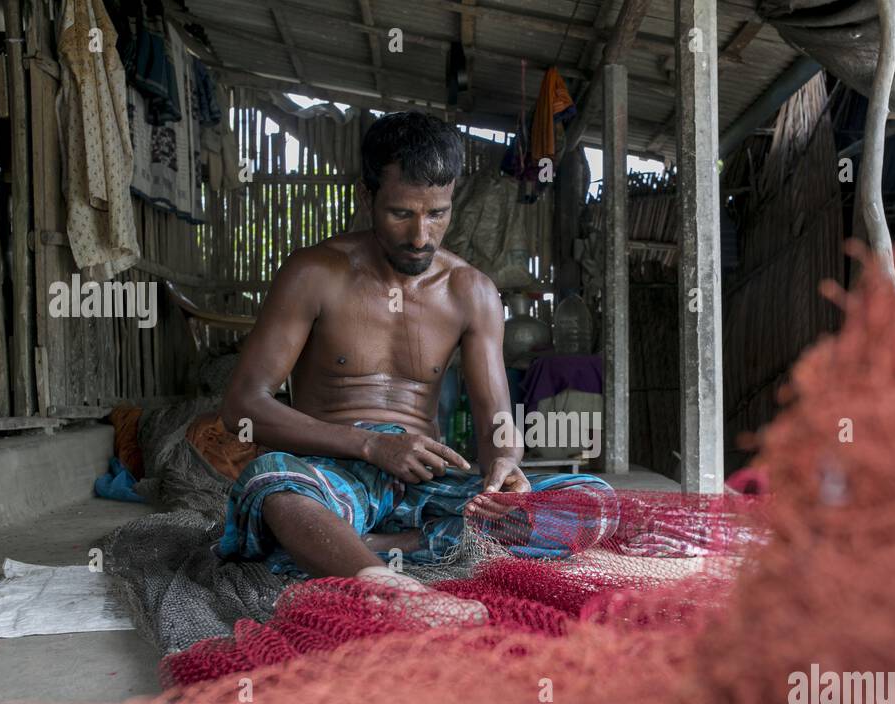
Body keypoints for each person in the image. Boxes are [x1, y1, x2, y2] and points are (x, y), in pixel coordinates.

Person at [219, 111, 615, 618]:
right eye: (401, 213)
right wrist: (371, 444)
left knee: (591, 499)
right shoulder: (315, 273)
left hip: (426, 481)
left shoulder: (470, 291)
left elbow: (497, 416)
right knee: (271, 483)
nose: (421, 236)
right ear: (367, 197)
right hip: (334, 473)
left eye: (437, 214)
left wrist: (503, 464)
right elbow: (242, 407)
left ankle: (361, 547)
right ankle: (391, 588)